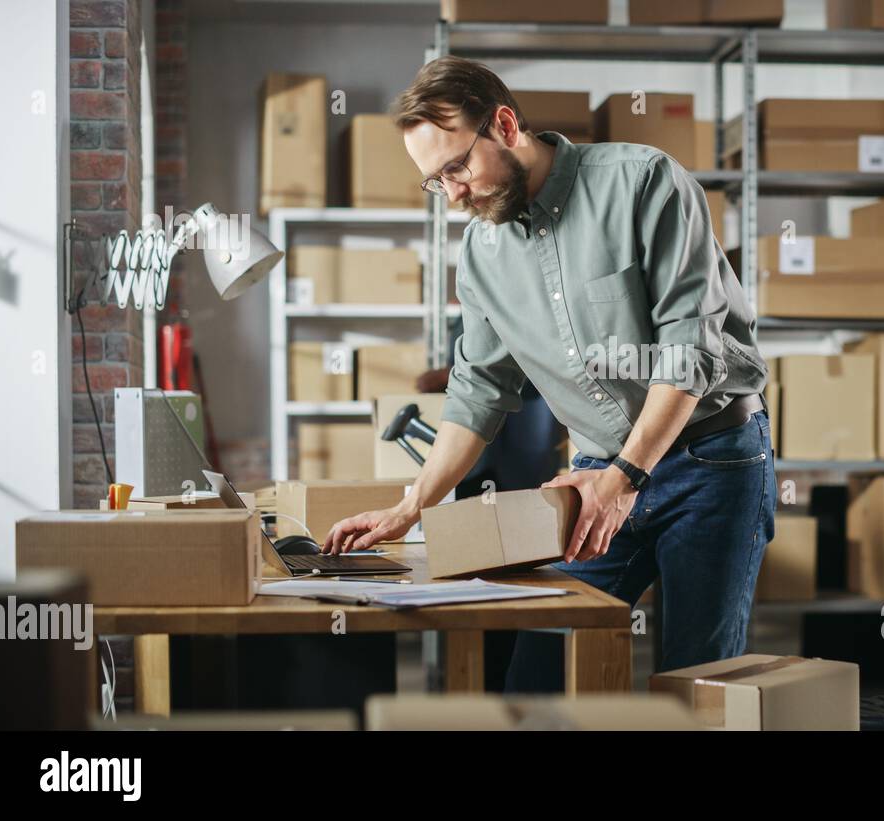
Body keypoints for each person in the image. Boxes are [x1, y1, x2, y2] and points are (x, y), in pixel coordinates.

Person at [322, 56, 776, 691]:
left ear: (505, 124)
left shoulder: (643, 182)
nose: (452, 193)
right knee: (539, 675)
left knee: (699, 686)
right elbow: (479, 388)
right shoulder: (482, 254)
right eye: (435, 181)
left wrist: (625, 477)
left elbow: (687, 351)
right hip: (595, 475)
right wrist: (411, 507)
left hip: (711, 458)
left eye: (456, 166)